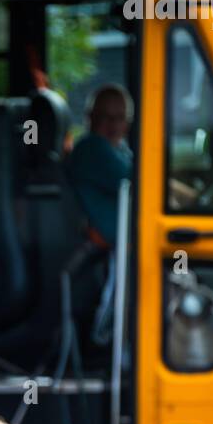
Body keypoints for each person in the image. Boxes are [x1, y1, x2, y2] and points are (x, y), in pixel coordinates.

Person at [68, 84, 134, 347]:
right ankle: (109, 338)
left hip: (123, 238)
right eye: (106, 117)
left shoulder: (119, 150)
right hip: (114, 241)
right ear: (90, 118)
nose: (114, 124)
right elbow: (140, 181)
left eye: (120, 118)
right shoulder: (92, 148)